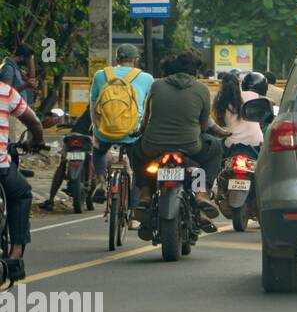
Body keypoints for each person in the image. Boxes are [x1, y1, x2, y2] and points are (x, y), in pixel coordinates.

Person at [130, 52, 228, 237]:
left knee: (135, 148)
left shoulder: (156, 86)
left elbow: (145, 120)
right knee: (214, 146)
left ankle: (144, 192)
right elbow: (203, 123)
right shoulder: (201, 89)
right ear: (195, 72)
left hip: (153, 145)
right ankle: (202, 192)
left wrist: (141, 132)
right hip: (190, 146)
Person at [88, 43, 154, 202]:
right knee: (139, 168)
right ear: (136, 60)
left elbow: (93, 105)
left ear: (117, 58)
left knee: (98, 151)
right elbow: (150, 108)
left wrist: (96, 126)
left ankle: (101, 180)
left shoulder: (100, 75)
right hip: (132, 132)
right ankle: (135, 209)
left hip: (105, 130)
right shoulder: (146, 78)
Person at [1, 77, 45, 282]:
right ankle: (16, 253)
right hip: (2, 168)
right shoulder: (5, 92)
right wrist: (37, 140)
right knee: (22, 193)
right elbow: (34, 122)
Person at [37, 108, 94, 212]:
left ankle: (50, 200)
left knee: (62, 164)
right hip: (88, 139)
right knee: (96, 157)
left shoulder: (89, 110)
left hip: (72, 138)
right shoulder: (104, 112)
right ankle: (93, 181)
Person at [213, 71, 265, 157]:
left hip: (231, 146)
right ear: (238, 85)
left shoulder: (219, 102)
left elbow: (220, 125)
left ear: (222, 86)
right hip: (256, 143)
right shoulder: (252, 95)